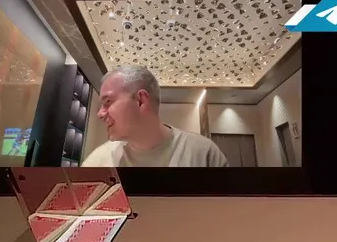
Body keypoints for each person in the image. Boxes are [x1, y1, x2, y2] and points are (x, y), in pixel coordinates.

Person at [83, 64, 229, 168]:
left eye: (108, 102)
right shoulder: (98, 163)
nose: (100, 114)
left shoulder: (203, 154)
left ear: (140, 100)